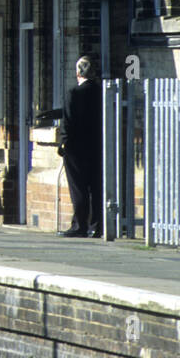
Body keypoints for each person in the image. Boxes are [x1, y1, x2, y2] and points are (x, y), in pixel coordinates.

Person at [59, 56, 103, 237]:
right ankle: (97, 226)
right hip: (97, 146)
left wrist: (64, 143)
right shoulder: (101, 92)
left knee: (78, 188)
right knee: (96, 186)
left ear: (78, 72)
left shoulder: (73, 93)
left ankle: (79, 225)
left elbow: (67, 122)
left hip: (76, 148)